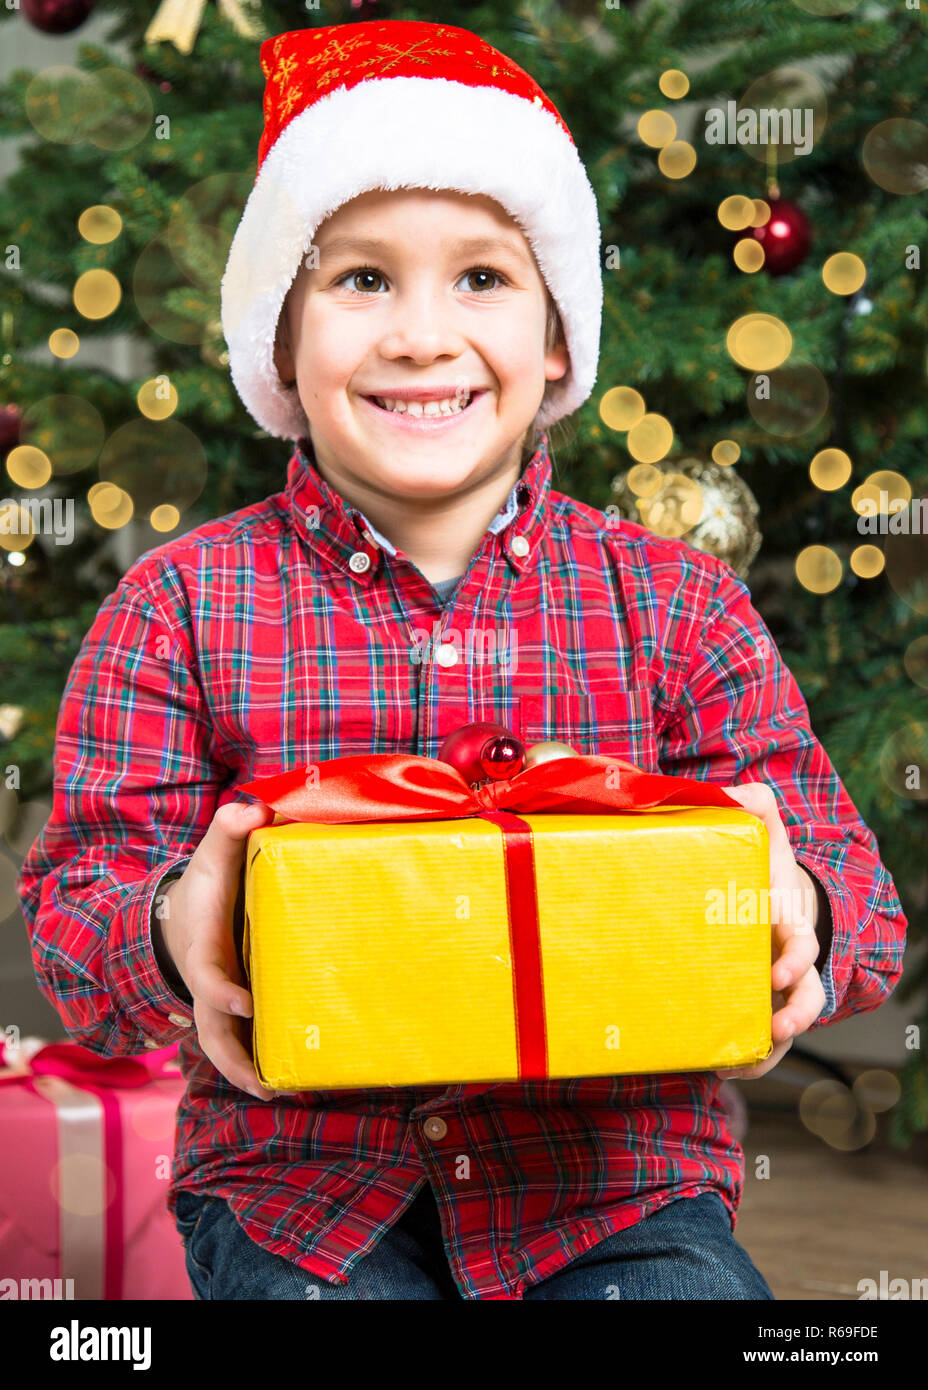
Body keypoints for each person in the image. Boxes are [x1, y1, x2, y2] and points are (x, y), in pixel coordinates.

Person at [16, 19, 906, 1301]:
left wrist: (797, 914)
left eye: (482, 277)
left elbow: (862, 912)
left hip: (616, 1194)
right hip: (303, 1196)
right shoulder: (177, 607)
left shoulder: (678, 606)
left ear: (557, 339)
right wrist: (168, 927)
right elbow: (71, 924)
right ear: (280, 336)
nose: (422, 336)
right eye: (361, 279)